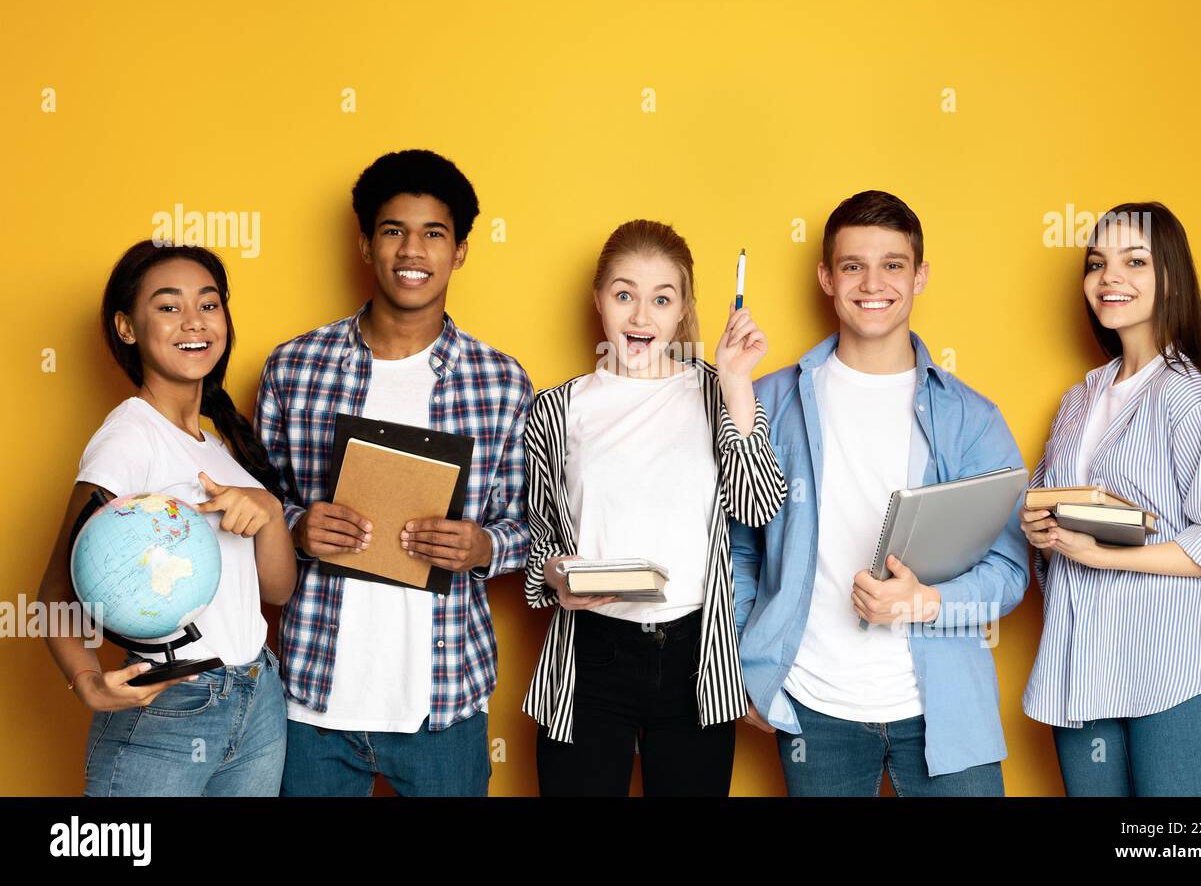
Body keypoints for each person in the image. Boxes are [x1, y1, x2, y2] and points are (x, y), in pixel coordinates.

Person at [732, 190, 1028, 796]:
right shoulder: (768, 401)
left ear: (920, 276)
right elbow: (737, 551)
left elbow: (1009, 571)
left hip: (945, 707)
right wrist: (741, 672)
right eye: (852, 265)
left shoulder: (971, 417)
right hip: (812, 704)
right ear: (826, 277)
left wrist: (925, 603)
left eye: (893, 264)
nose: (873, 282)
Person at [256, 149, 532, 797]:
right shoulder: (293, 368)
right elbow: (255, 505)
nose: (413, 250)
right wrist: (295, 527)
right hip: (313, 703)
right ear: (365, 243)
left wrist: (485, 544)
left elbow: (531, 527)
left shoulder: (501, 382)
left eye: (434, 233)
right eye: (393, 231)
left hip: (443, 703)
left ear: (460, 251)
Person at [521, 219, 787, 796]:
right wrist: (554, 574)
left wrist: (740, 382)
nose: (641, 318)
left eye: (661, 300)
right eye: (624, 295)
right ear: (599, 300)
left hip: (696, 658)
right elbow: (538, 535)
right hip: (588, 655)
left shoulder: (721, 391)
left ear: (684, 307)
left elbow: (759, 503)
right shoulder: (555, 409)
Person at [1020, 202, 1201, 797]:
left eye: (1135, 261)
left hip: (1176, 670)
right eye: (1097, 262)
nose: (1110, 278)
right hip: (1081, 674)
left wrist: (1107, 554)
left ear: (1171, 277)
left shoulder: (1198, 397)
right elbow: (1065, 522)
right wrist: (1042, 532)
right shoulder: (1081, 399)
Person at [37, 240, 296, 796]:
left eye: (208, 304)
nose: (194, 322)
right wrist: (86, 681)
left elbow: (276, 590)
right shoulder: (129, 437)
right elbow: (55, 590)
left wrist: (271, 514)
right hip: (172, 705)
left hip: (258, 695)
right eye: (168, 306)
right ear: (127, 327)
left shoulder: (221, 442)